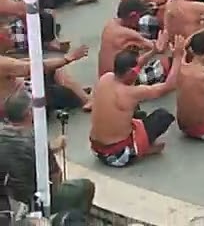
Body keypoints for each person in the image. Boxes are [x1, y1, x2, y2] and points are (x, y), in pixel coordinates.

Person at [0, 89, 96, 219]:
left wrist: (50, 148)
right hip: (30, 202)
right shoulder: (35, 140)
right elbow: (56, 176)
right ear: (29, 113)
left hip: (6, 201)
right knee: (85, 186)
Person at [89, 44, 181, 167]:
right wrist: (178, 57)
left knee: (138, 113)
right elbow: (169, 86)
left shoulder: (105, 78)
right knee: (162, 116)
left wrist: (153, 52)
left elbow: (135, 66)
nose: (138, 73)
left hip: (97, 150)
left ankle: (139, 145)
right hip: (119, 155)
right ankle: (140, 149)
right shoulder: (131, 93)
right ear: (130, 73)